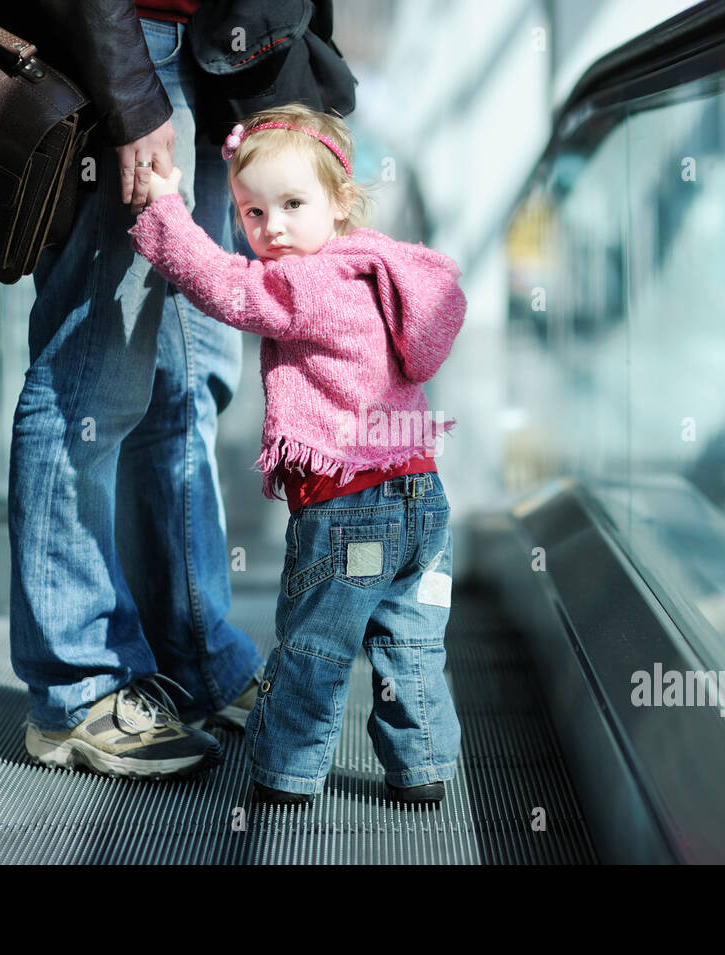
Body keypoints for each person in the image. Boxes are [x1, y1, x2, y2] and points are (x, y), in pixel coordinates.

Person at [129, 104, 467, 804]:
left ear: (340, 202)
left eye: (291, 204)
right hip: (422, 501)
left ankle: (287, 771)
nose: (271, 228)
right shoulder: (380, 271)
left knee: (316, 645)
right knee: (410, 644)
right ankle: (425, 765)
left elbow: (227, 288)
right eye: (251, 213)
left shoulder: (312, 282)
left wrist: (166, 213)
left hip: (349, 510)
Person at [9, 2, 265, 779]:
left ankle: (192, 655)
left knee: (188, 379)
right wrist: (128, 89)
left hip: (219, 61)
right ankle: (76, 686)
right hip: (134, 48)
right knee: (90, 377)